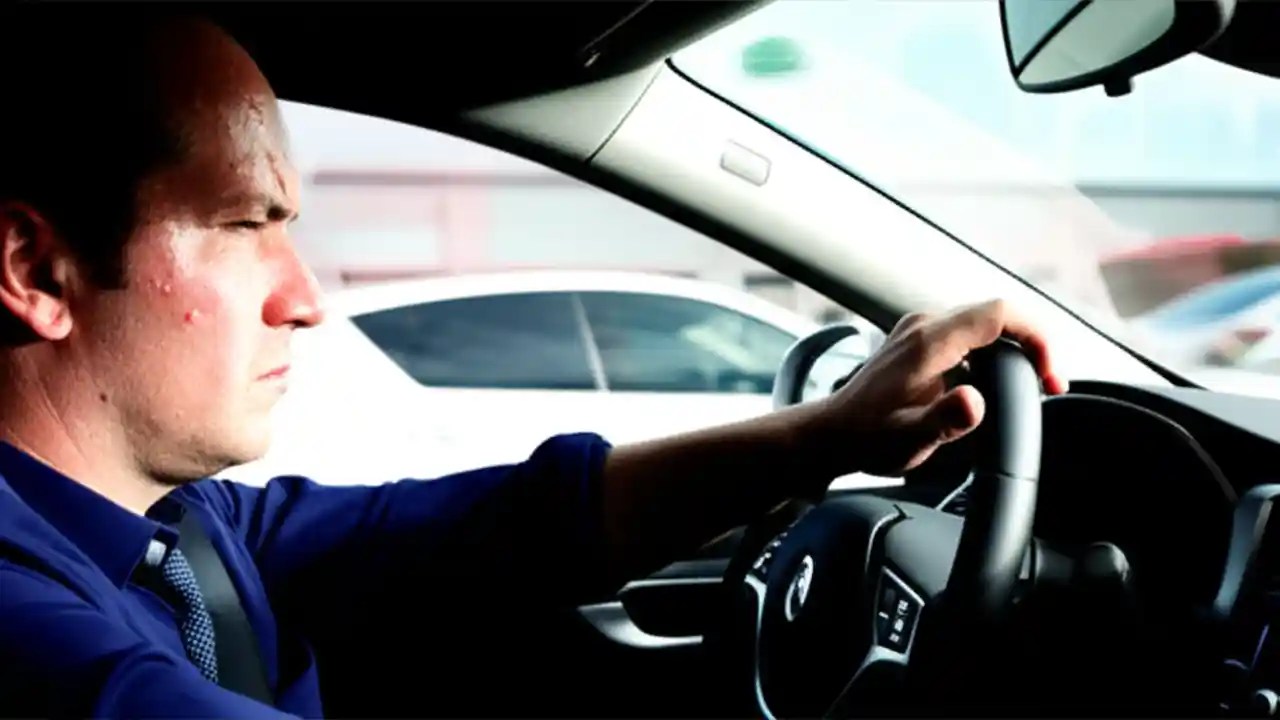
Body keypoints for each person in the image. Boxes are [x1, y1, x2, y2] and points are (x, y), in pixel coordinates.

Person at [0, 13, 1067, 720]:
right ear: (37, 268)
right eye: (244, 225)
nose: (305, 297)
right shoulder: (24, 623)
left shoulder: (183, 525)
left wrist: (822, 436)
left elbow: (501, 526)